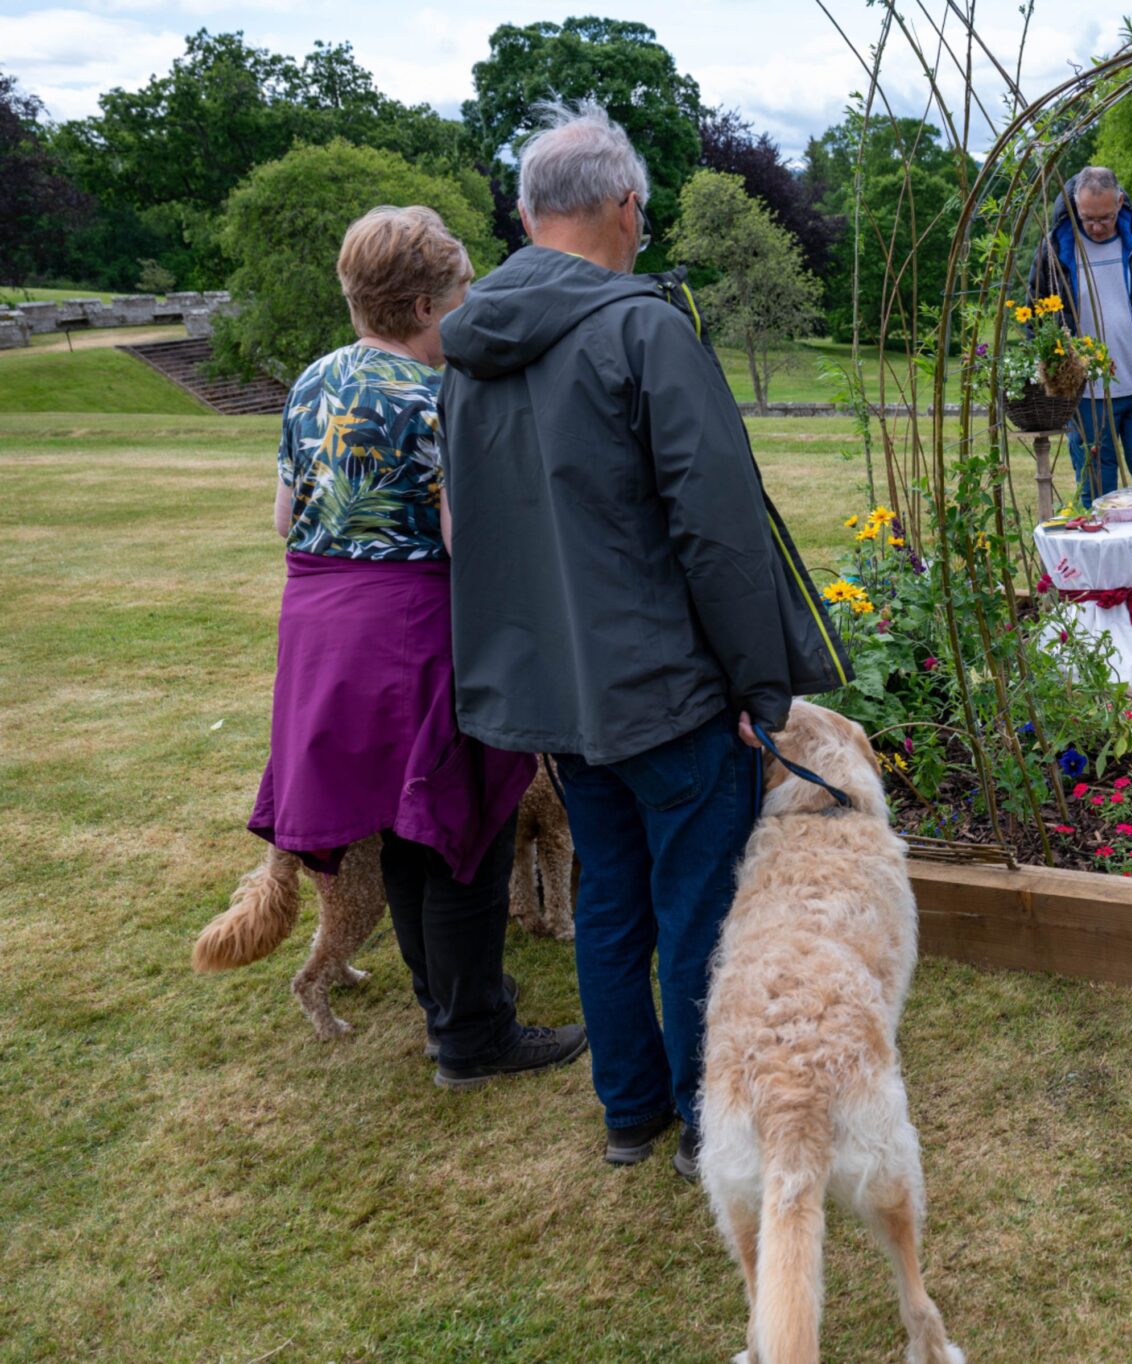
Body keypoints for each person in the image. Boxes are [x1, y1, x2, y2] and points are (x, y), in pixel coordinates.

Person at [438, 103, 844, 1176]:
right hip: (662, 686)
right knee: (695, 905)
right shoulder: (643, 327)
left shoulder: (466, 350)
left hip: (563, 694)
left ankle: (632, 1109)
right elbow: (717, 532)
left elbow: (468, 532)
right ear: (626, 205)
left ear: (530, 215)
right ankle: (706, 1120)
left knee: (612, 894)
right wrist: (763, 689)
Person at [250, 205, 587, 1088]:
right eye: (465, 292)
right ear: (432, 305)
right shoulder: (440, 397)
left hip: (319, 629)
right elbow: (463, 536)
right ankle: (474, 1035)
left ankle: (446, 998)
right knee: (461, 827)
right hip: (411, 631)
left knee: (398, 826)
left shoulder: (313, 381)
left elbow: (284, 518)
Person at [1029, 166, 1132, 564]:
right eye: (1089, 218)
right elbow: (1035, 313)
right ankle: (1109, 575)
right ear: (1074, 209)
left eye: (1105, 217)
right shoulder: (1056, 250)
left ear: (1119, 203)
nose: (1098, 226)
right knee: (1096, 495)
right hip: (1086, 396)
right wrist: (1055, 366)